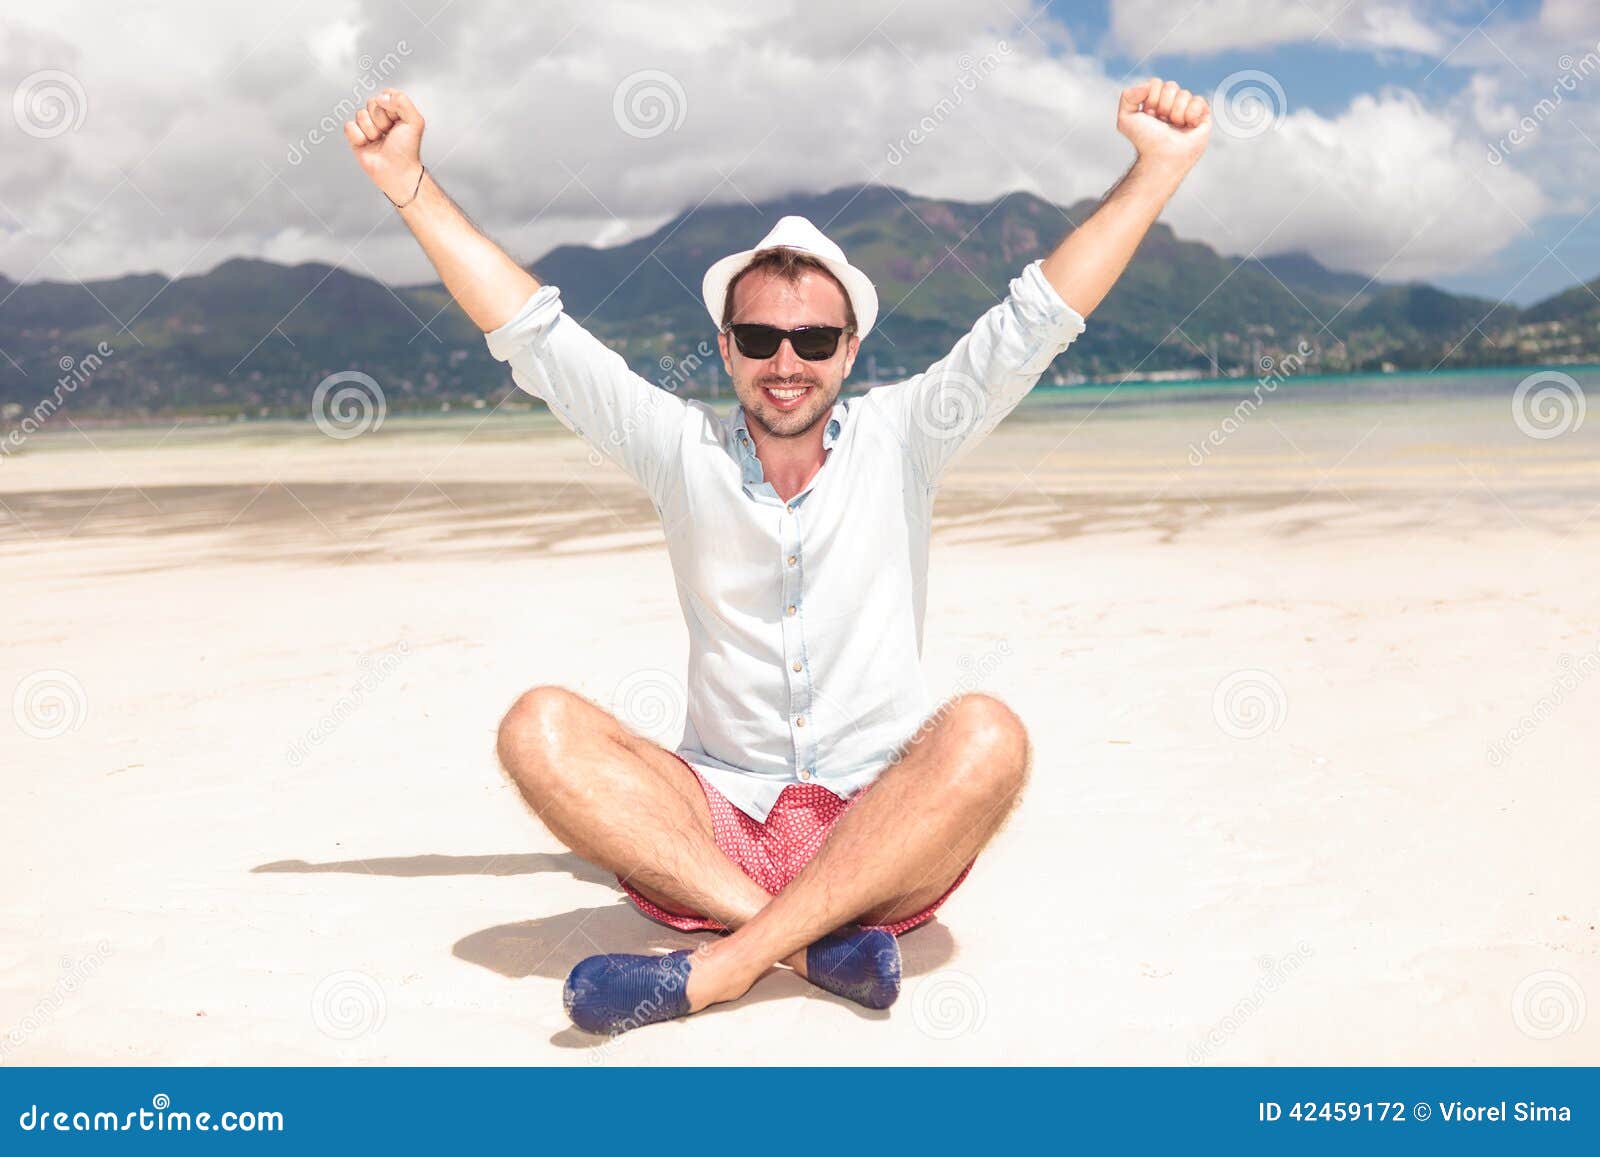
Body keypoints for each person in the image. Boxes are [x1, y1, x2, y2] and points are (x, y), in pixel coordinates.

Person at [344, 77, 1210, 1035]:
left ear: (849, 350)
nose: (786, 361)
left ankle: (720, 966)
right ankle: (801, 944)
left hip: (880, 824)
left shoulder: (908, 436)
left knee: (989, 734)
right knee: (536, 727)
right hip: (716, 822)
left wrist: (1155, 170)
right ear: (725, 349)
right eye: (759, 337)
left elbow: (1035, 320)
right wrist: (407, 182)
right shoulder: (679, 450)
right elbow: (536, 339)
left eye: (812, 338)